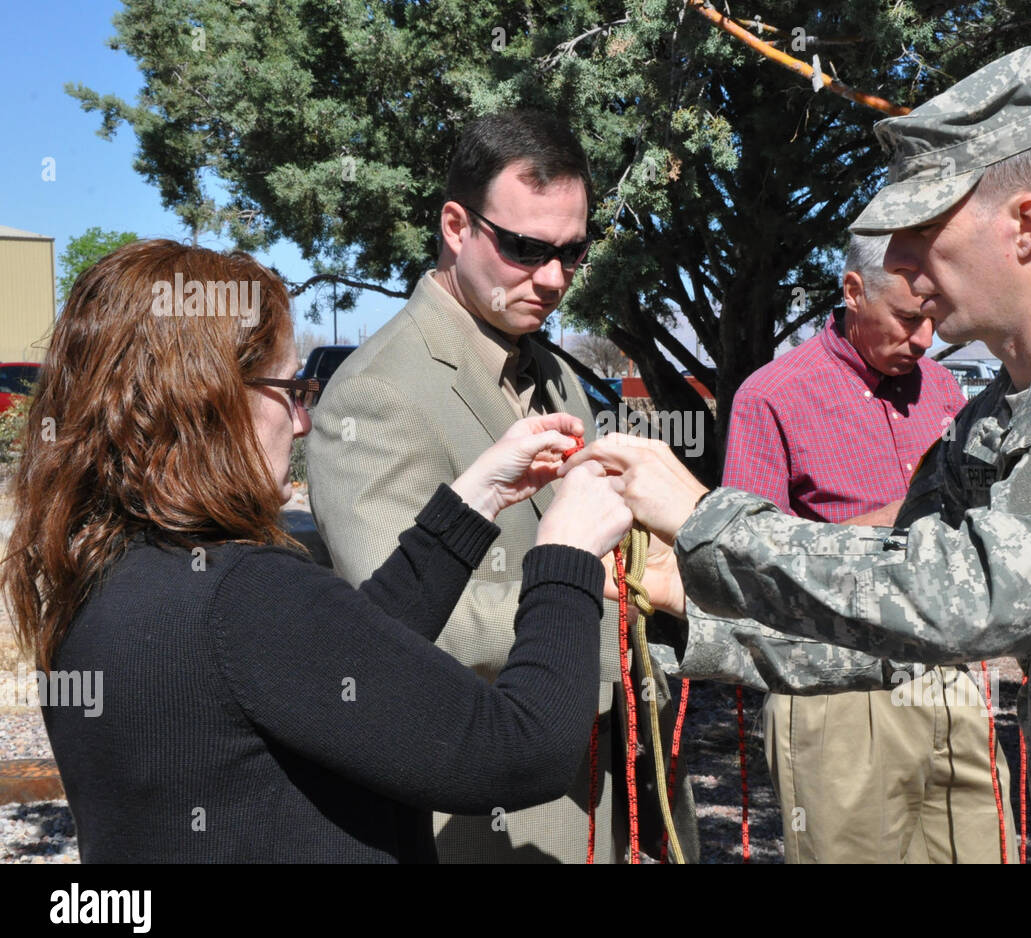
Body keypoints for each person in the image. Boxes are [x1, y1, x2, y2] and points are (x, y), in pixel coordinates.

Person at [567, 46, 1031, 863]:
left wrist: (708, 521)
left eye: (925, 230)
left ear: (1026, 224)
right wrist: (687, 599)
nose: (903, 265)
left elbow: (966, 600)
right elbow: (889, 619)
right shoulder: (995, 419)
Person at [0, 239, 632, 863]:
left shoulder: (107, 573)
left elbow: (345, 663)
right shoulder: (245, 594)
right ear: (207, 401)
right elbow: (524, 751)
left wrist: (474, 500)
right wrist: (567, 558)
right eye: (290, 388)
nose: (302, 421)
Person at [307, 109, 696, 863]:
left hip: (612, 794)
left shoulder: (550, 372)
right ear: (456, 225)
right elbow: (403, 628)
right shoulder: (374, 394)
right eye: (524, 248)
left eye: (572, 253)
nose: (552, 279)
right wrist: (616, 596)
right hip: (490, 820)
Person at [725, 232, 1013, 863]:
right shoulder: (770, 395)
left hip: (951, 677)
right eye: (908, 320)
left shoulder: (945, 392)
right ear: (853, 292)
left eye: (933, 320)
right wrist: (899, 524)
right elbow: (743, 566)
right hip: (835, 695)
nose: (923, 340)